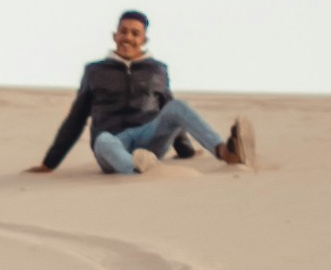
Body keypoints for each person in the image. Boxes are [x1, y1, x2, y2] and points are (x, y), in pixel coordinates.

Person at [39, 11, 252, 176]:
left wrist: (185, 150)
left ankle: (226, 152)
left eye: (135, 33)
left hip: (148, 139)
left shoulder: (157, 69)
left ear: (143, 40)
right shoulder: (95, 71)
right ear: (115, 35)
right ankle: (137, 172)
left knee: (178, 106)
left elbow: (169, 110)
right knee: (103, 140)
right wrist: (50, 163)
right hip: (112, 147)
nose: (128, 38)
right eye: (123, 32)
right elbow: (76, 118)